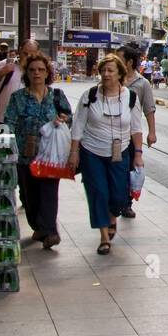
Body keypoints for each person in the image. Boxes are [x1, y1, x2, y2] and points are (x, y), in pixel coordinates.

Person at [68, 54, 144, 255]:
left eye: (111, 70)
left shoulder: (131, 97)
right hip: (92, 152)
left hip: (120, 152)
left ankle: (112, 216)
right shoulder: (90, 95)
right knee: (98, 193)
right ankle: (103, 237)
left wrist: (138, 154)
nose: (106, 74)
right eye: (103, 70)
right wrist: (74, 152)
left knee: (119, 196)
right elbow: (78, 125)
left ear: (120, 73)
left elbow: (136, 128)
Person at [3, 51, 72, 249]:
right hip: (25, 154)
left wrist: (63, 120)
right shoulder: (18, 98)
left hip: (50, 154)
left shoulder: (56, 96)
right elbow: (10, 122)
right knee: (29, 196)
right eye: (32, 70)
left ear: (47, 73)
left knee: (49, 193)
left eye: (41, 70)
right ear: (27, 73)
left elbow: (69, 116)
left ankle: (50, 231)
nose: (37, 74)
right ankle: (39, 227)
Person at [119, 47, 158, 219]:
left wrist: (152, 133)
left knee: (129, 168)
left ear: (129, 62)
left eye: (119, 59)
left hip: (131, 135)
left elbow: (149, 109)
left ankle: (127, 204)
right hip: (111, 133)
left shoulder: (142, 83)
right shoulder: (113, 78)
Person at [0, 38, 40, 121]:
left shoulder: (41, 70)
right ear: (20, 51)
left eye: (32, 55)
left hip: (31, 124)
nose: (28, 57)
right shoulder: (5, 64)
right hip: (6, 122)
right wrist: (2, 72)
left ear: (38, 53)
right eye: (25, 53)